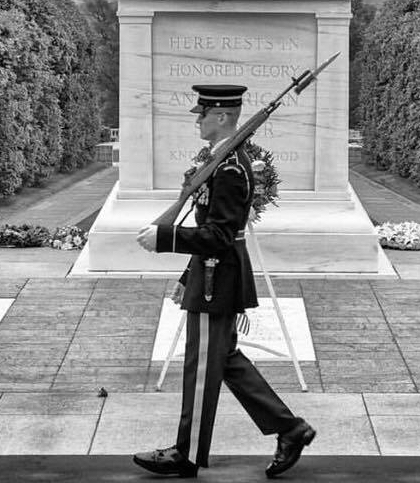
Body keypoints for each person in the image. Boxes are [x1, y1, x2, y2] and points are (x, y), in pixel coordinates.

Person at [134, 84, 315, 479]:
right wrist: (188, 274)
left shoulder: (231, 170)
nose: (197, 120)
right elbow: (215, 232)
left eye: (202, 114)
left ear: (221, 117)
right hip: (211, 273)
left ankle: (187, 453)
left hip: (218, 278)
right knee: (225, 361)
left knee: (202, 367)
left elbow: (219, 234)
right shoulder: (220, 161)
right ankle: (291, 428)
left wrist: (165, 239)